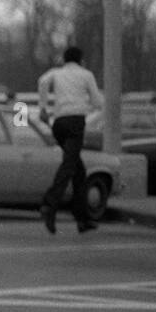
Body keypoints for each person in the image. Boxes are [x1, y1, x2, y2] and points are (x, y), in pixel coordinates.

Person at [38, 46, 103, 234]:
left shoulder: (56, 73)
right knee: (68, 166)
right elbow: (98, 102)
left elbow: (42, 82)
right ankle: (49, 204)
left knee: (78, 171)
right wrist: (91, 104)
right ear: (80, 60)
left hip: (58, 123)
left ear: (65, 60)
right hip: (75, 122)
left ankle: (82, 219)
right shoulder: (86, 75)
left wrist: (43, 107)